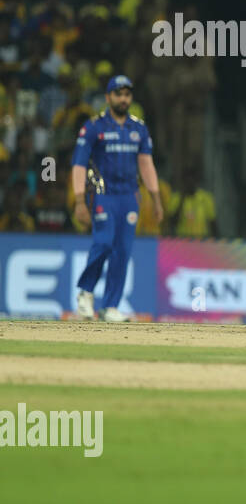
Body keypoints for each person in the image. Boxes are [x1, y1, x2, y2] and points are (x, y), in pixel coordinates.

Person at [70, 74, 164, 322]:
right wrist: (80, 201)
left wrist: (156, 199)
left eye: (127, 95)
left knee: (122, 251)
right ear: (108, 97)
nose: (123, 99)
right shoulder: (93, 127)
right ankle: (86, 293)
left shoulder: (138, 128)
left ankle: (110, 305)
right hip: (103, 194)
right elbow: (79, 166)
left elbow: (146, 165)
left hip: (129, 197)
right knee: (103, 242)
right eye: (118, 94)